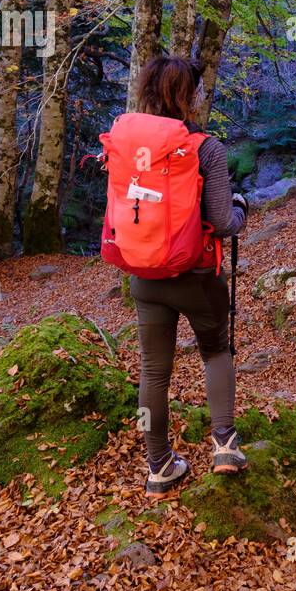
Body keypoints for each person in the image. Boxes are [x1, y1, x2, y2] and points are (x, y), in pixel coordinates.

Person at [127, 56, 248, 497]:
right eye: (198, 90)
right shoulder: (206, 148)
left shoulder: (131, 146)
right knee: (215, 352)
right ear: (189, 96)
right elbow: (220, 220)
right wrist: (241, 210)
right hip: (196, 274)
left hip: (144, 273)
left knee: (153, 372)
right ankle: (224, 446)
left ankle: (159, 467)